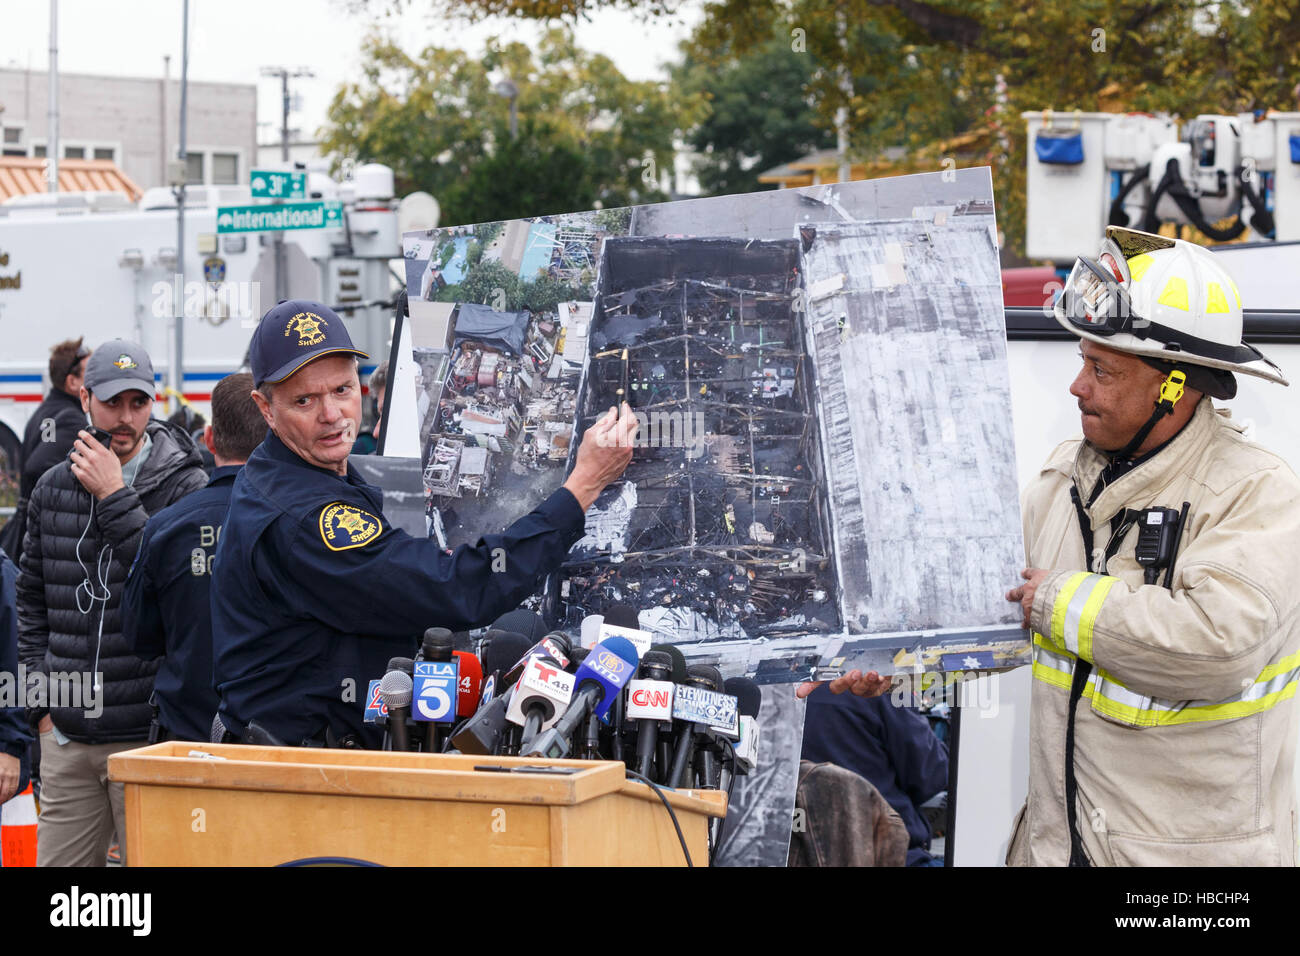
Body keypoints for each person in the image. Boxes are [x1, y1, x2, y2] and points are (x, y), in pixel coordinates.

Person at [211, 300, 637, 748]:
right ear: (265, 408)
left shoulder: (302, 475)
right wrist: (584, 485)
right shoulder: (305, 516)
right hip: (303, 783)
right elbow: (454, 588)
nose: (332, 414)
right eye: (304, 400)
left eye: (341, 389)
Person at [1004, 226, 1300, 866]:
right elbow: (995, 621)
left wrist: (1057, 600)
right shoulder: (1059, 484)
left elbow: (1217, 645)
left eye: (1101, 368)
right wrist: (895, 670)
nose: (1077, 386)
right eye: (1082, 361)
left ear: (1176, 386)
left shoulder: (1256, 493)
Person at [16, 340, 208, 866]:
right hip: (67, 737)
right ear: (84, 399)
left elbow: (180, 594)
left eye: (139, 403)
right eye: (112, 402)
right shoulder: (51, 487)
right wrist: (41, 710)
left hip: (146, 737)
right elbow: (30, 602)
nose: (125, 418)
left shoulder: (185, 485)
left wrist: (114, 497)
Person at [123, 373, 265, 742]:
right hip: (274, 744)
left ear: (210, 439)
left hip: (185, 737)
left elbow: (140, 636)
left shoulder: (166, 527)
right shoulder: (303, 522)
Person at [800, 683, 948, 866]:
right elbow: (931, 775)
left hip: (794, 852)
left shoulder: (766, 689)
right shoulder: (876, 683)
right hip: (883, 853)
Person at [0, 339, 91, 564]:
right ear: (72, 382)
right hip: (43, 538)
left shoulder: (48, 410)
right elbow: (39, 465)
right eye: (91, 375)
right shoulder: (70, 417)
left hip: (29, 530)